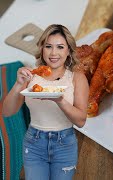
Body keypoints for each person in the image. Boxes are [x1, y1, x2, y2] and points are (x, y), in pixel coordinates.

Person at [2, 24, 89, 180]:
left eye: (60, 47)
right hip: (34, 142)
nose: (53, 53)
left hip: (65, 144)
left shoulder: (77, 77)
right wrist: (17, 84)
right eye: (48, 46)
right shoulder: (31, 75)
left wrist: (60, 101)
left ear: (68, 51)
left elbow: (81, 120)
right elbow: (7, 112)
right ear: (42, 49)